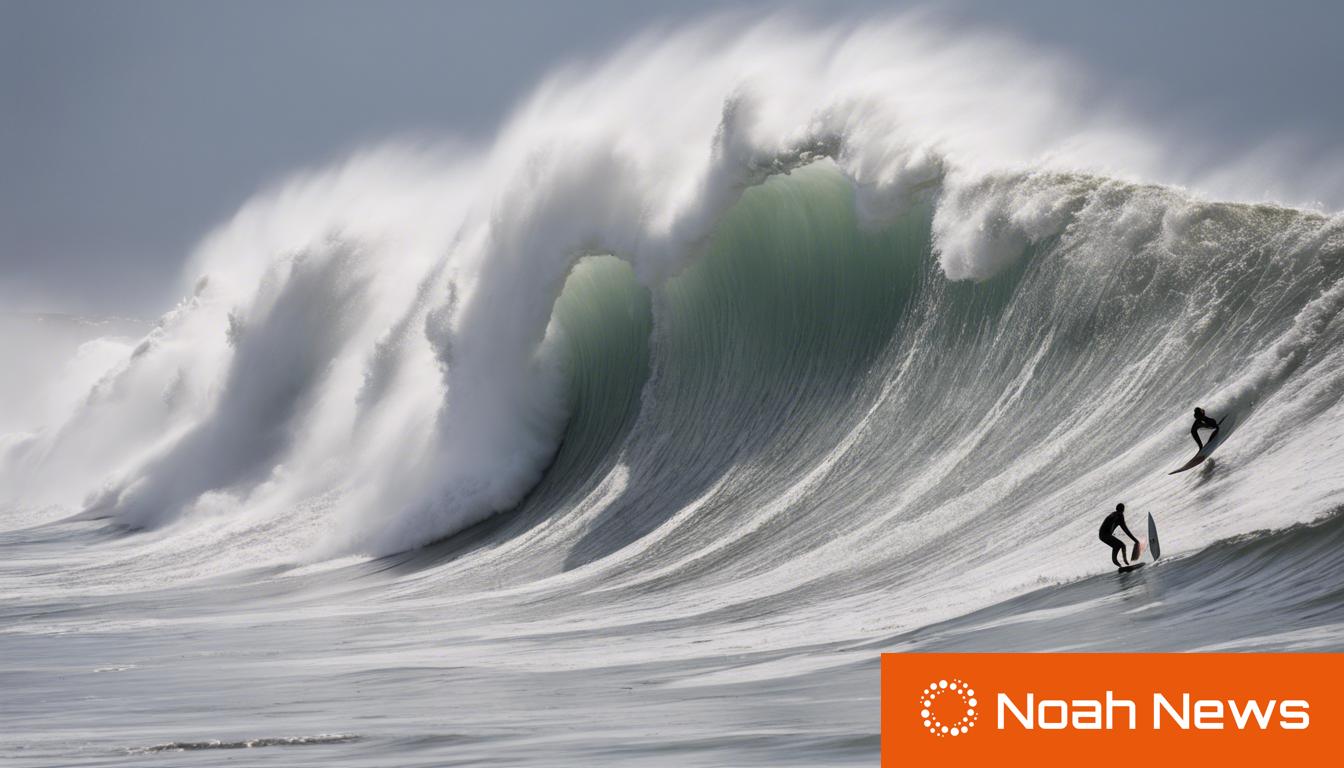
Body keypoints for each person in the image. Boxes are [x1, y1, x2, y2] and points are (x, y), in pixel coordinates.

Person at [1098, 503, 1139, 568]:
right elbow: (1126, 531)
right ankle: (1126, 563)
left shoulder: (1117, 516)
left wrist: (1135, 540)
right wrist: (1135, 540)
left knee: (1117, 546)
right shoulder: (1115, 515)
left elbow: (1126, 530)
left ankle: (1121, 566)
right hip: (1104, 535)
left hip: (1103, 535)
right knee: (1122, 545)